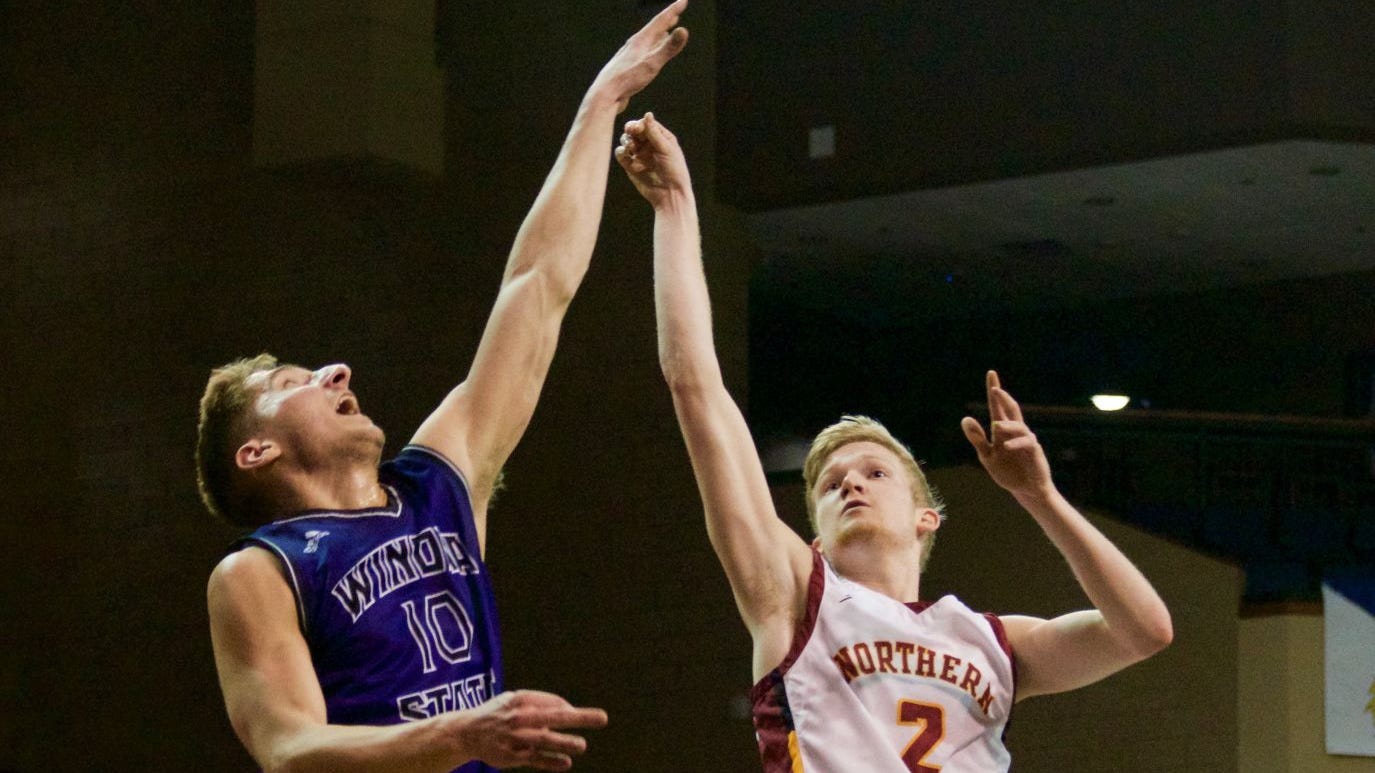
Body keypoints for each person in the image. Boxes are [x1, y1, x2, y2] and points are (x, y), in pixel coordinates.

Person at [197, 6, 689, 772]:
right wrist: (461, 734)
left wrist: (600, 105)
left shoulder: (437, 483)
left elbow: (536, 287)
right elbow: (288, 746)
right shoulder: (260, 570)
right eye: (294, 382)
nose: (336, 371)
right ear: (254, 450)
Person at [616, 112, 1173, 772]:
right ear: (814, 536)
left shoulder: (990, 639)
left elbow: (1144, 631)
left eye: (874, 472)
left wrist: (1041, 494)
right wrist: (677, 206)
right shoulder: (796, 592)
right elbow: (694, 385)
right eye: (829, 483)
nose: (849, 481)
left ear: (925, 515)